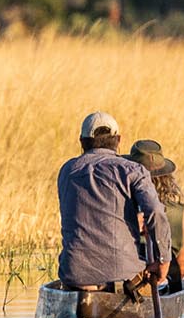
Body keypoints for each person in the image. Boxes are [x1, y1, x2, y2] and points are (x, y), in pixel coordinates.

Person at [56, 111, 168, 295]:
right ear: (118, 140)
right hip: (123, 277)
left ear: (81, 142)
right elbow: (155, 210)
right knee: (165, 284)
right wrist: (163, 259)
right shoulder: (133, 169)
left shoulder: (67, 170)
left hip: (74, 276)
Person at [127, 140, 184, 289]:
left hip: (127, 277)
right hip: (160, 280)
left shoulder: (121, 207)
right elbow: (181, 269)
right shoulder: (179, 211)